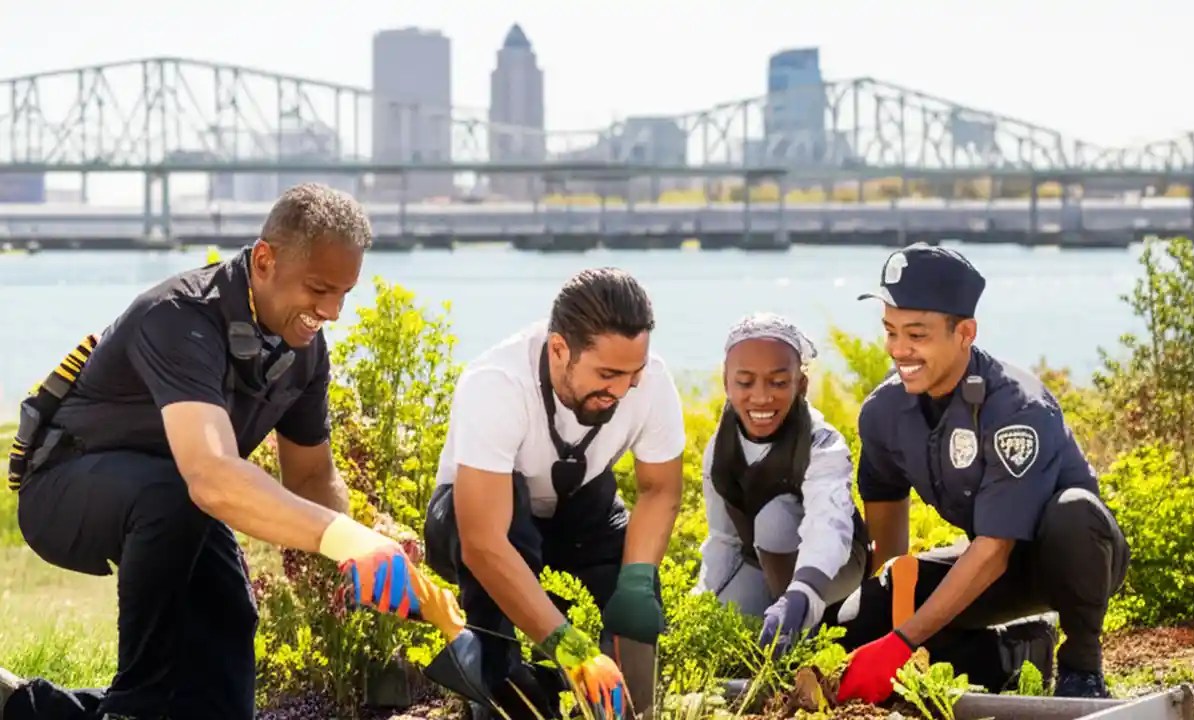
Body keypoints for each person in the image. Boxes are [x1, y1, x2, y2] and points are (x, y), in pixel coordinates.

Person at [1, 184, 472, 720]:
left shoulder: (304, 352)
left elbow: (312, 476)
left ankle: (19, 707)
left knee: (229, 621)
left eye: (345, 293)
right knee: (174, 497)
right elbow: (211, 476)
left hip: (175, 504)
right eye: (319, 288)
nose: (333, 311)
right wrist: (344, 539)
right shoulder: (178, 317)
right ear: (266, 261)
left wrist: (369, 545)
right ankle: (135, 707)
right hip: (63, 490)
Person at [833, 243, 1130, 706]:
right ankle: (1016, 652)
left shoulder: (1018, 408)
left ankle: (1081, 667)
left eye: (917, 334)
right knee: (856, 623)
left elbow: (995, 551)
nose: (898, 350)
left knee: (1072, 513)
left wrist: (901, 643)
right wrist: (883, 620)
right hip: (989, 560)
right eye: (890, 331)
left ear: (965, 332)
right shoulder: (883, 412)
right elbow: (888, 540)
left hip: (1073, 558)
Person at [424, 267, 687, 720]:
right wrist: (571, 648)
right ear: (559, 349)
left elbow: (659, 489)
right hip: (479, 523)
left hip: (581, 509)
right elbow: (485, 543)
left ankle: (628, 708)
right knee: (520, 695)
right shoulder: (497, 383)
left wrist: (637, 581)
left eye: (634, 373)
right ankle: (496, 680)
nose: (623, 390)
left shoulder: (652, 382)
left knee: (626, 592)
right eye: (607, 373)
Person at [695, 312, 871, 657]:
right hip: (760, 560)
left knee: (773, 517)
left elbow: (827, 528)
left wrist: (801, 592)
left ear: (801, 385)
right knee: (717, 629)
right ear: (726, 382)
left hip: (833, 564)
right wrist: (701, 601)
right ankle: (780, 621)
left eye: (778, 382)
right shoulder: (719, 447)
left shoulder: (822, 443)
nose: (761, 398)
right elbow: (723, 539)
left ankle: (802, 637)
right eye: (745, 383)